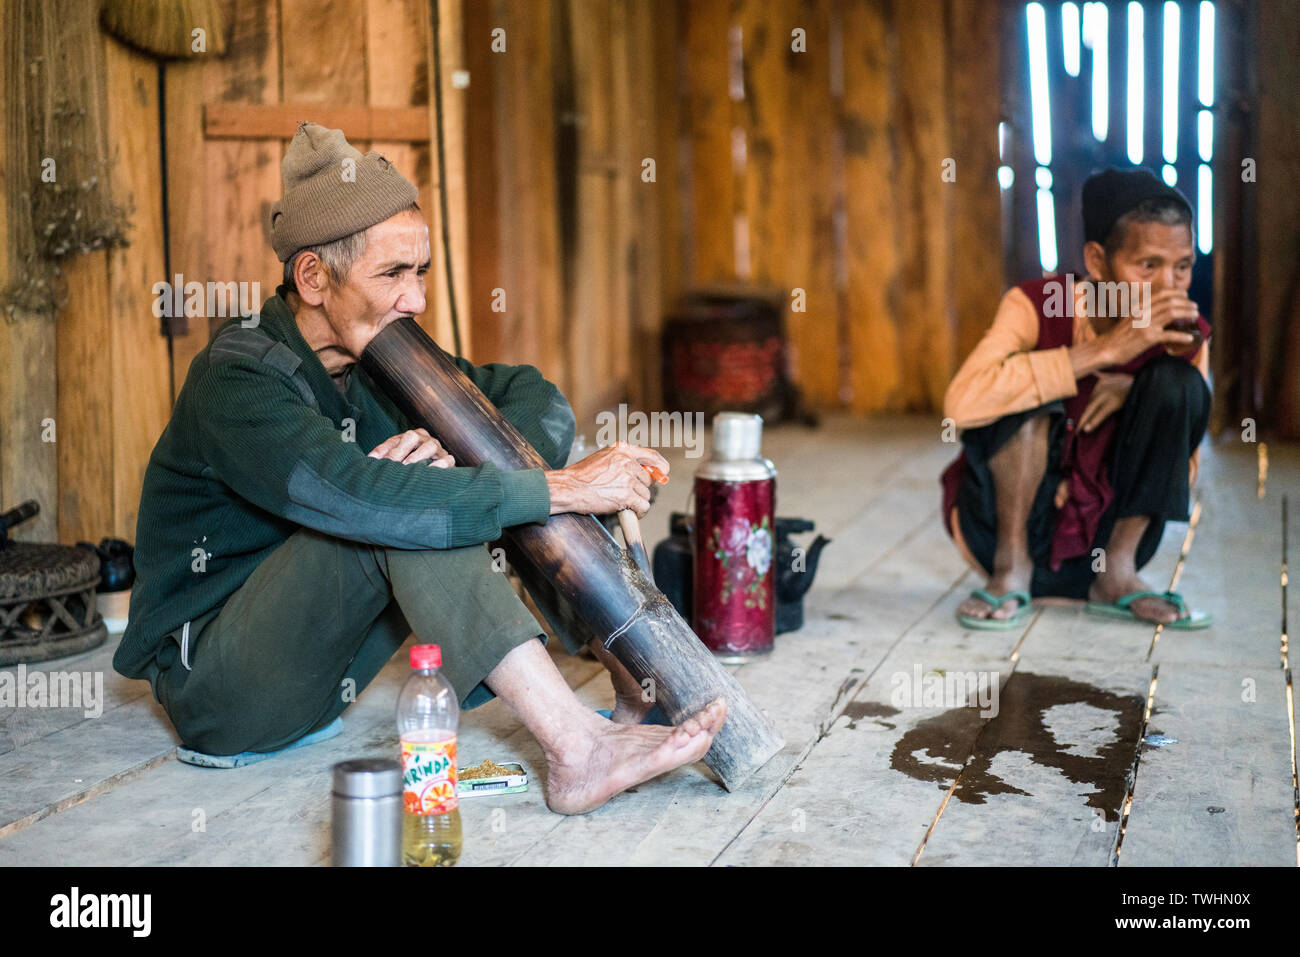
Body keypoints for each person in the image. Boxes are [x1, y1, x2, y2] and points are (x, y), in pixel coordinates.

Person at [113, 123, 726, 814]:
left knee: (466, 478)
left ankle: (629, 677)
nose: (416, 299)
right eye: (392, 274)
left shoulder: (380, 362)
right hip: (224, 691)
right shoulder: (237, 380)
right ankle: (575, 750)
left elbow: (535, 398)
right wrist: (559, 485)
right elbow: (368, 501)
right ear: (313, 277)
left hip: (325, 676)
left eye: (421, 271)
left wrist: (487, 462)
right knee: (407, 511)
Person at [940, 166, 1212, 631]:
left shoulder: (1183, 337)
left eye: (1182, 266)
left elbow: (1181, 463)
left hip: (1108, 534)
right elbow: (961, 404)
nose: (1170, 286)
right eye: (1148, 266)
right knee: (1025, 391)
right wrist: (1102, 351)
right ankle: (1011, 572)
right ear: (1097, 260)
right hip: (1001, 527)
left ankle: (1117, 577)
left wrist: (1137, 392)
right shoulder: (1039, 303)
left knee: (1177, 386)